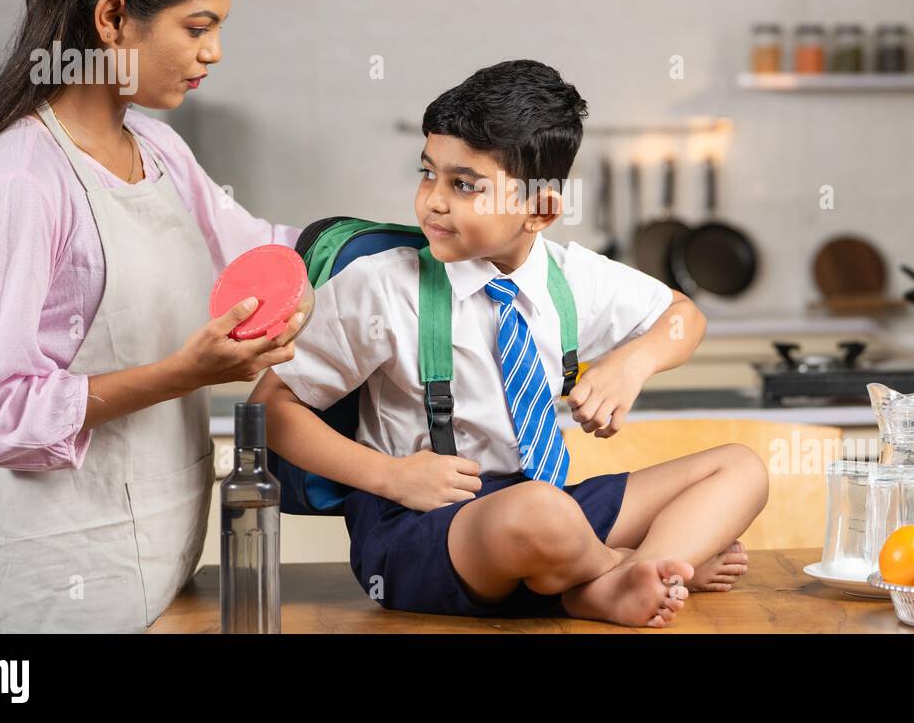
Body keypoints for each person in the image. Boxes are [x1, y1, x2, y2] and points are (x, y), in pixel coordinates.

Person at [252, 59, 769, 628]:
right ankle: (629, 569)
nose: (433, 201)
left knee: (740, 468)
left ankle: (620, 577)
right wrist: (390, 477)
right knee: (542, 513)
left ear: (541, 209)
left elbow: (682, 315)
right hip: (418, 524)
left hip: (544, 509)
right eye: (428, 173)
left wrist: (632, 363)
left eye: (464, 184)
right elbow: (271, 407)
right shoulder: (382, 286)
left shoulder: (572, 280)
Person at [0, 0, 305, 632]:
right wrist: (185, 374)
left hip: (151, 570)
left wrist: (327, 272)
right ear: (114, 17)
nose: (213, 52)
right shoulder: (20, 181)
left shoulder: (159, 149)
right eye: (198, 27)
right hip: (40, 587)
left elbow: (261, 248)